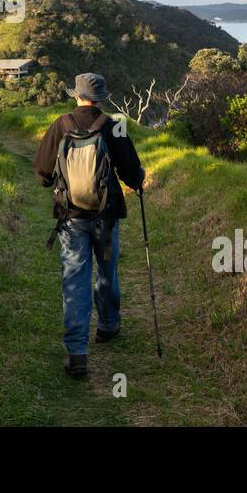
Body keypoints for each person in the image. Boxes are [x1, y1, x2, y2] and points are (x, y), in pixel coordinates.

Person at [33, 72, 145, 378]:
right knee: (107, 269)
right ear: (102, 98)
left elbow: (42, 174)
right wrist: (139, 176)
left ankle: (77, 352)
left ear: (76, 96)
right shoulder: (114, 125)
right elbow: (133, 176)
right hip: (105, 216)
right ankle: (108, 326)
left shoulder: (61, 125)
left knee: (74, 280)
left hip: (70, 218)